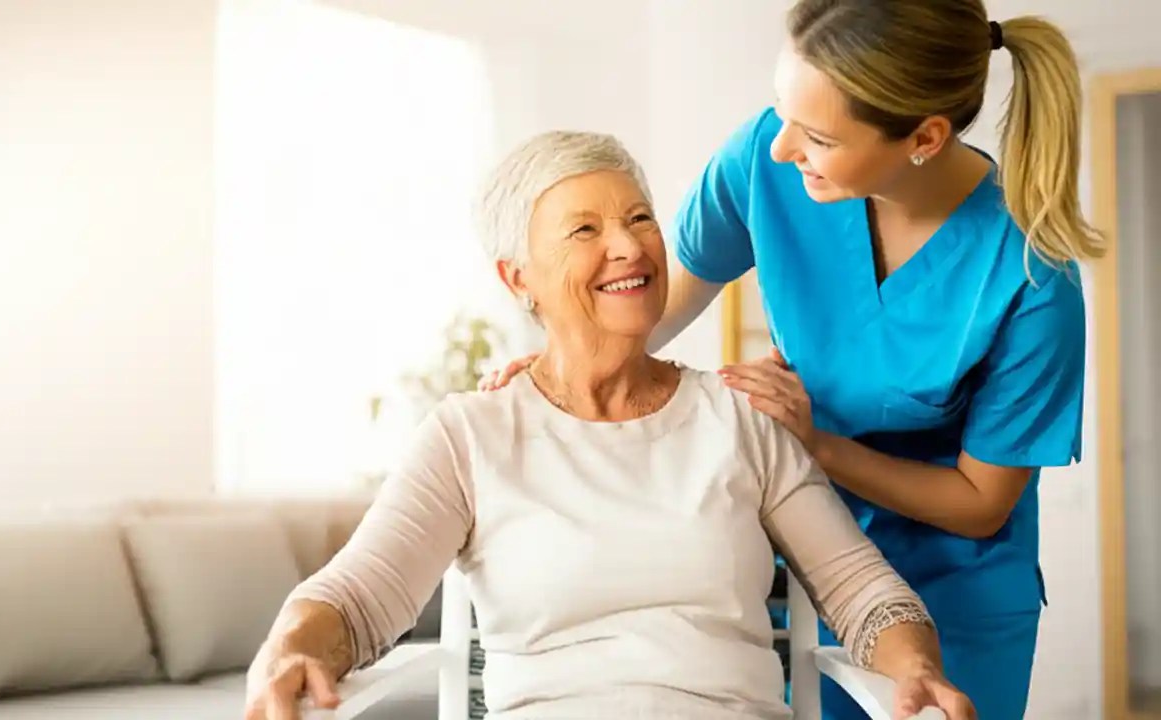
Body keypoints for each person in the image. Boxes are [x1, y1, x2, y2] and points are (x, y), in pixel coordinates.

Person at [480, 2, 1097, 719]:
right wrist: (559, 369)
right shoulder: (766, 160)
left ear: (924, 137)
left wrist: (814, 445)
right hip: (798, 565)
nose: (782, 148)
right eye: (782, 111)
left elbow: (981, 504)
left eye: (818, 136)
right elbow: (648, 303)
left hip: (953, 590)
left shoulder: (1030, 277)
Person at [244, 131, 975, 720]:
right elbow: (355, 595)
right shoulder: (472, 435)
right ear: (517, 279)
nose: (627, 246)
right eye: (584, 230)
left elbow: (865, 594)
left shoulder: (740, 420)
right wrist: (291, 650)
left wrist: (914, 674)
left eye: (639, 219)